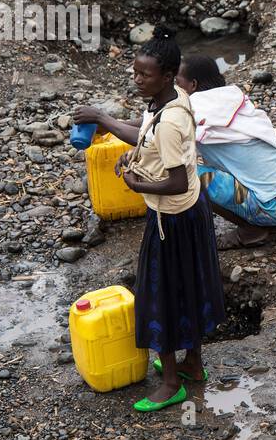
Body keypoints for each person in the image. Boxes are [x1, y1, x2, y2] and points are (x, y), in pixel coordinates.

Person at [72, 39, 226, 412]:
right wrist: (136, 151)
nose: (137, 78)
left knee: (162, 297)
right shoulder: (171, 98)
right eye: (136, 71)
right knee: (188, 287)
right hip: (191, 211)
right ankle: (193, 364)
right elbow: (147, 134)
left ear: (169, 75)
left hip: (171, 217)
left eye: (146, 74)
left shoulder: (171, 121)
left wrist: (137, 183)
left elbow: (175, 180)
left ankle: (171, 382)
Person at [176, 55, 276, 249]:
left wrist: (115, 124)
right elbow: (158, 120)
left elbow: (157, 128)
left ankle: (251, 230)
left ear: (193, 84)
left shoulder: (194, 107)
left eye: (177, 82)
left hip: (275, 207)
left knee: (186, 175)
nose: (174, 88)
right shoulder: (228, 97)